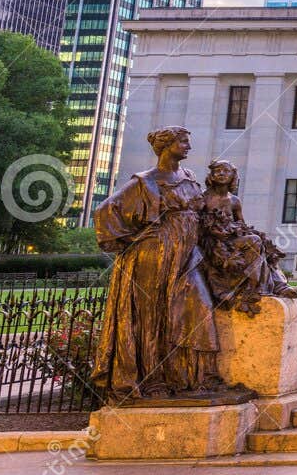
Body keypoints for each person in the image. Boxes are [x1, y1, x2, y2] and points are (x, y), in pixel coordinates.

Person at [91, 126, 225, 401]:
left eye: (188, 141)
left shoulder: (188, 177)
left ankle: (189, 377)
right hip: (154, 255)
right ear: (166, 145)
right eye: (183, 142)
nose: (188, 146)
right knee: (152, 316)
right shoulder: (146, 181)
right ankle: (154, 381)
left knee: (197, 307)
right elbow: (105, 210)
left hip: (187, 254)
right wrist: (130, 241)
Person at [199, 160, 297, 313]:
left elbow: (241, 224)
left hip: (232, 239)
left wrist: (245, 232)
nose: (221, 173)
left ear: (233, 176)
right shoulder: (204, 198)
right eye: (217, 171)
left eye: (225, 171)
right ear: (211, 176)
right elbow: (198, 223)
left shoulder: (234, 201)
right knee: (254, 242)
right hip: (213, 242)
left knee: (265, 247)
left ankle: (277, 286)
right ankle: (261, 287)